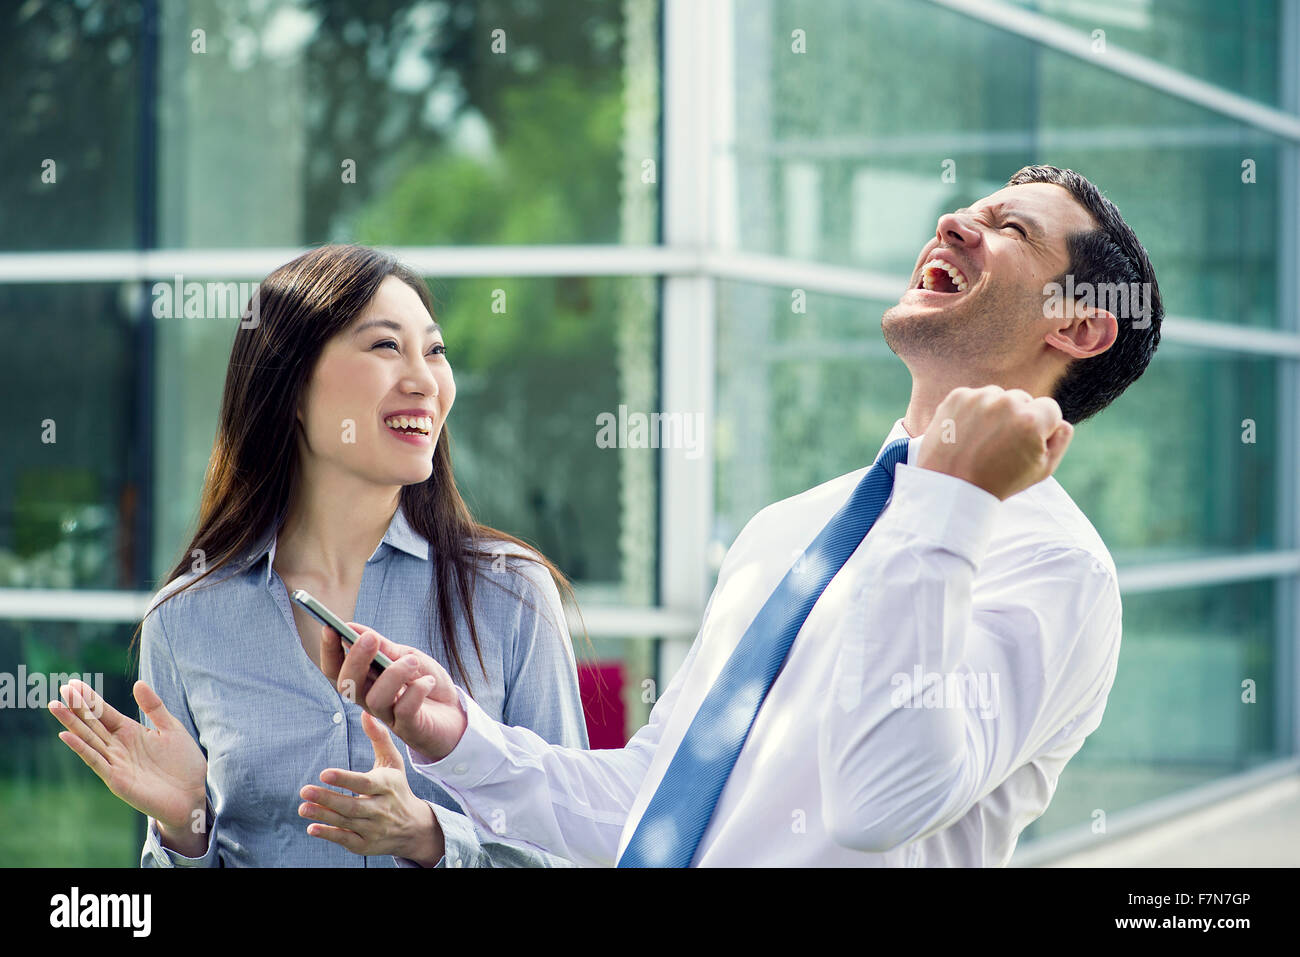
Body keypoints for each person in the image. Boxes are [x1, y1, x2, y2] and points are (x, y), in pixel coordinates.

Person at [317, 165, 1163, 867]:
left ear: (1081, 327)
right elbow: (649, 802)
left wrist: (952, 500)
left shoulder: (1058, 567)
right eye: (969, 209)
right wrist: (459, 737)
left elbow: (879, 802)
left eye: (1012, 229)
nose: (953, 221)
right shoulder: (788, 529)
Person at [48, 243, 589, 867]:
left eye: (435, 351)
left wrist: (429, 838)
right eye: (386, 346)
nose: (424, 380)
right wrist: (183, 830)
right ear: (293, 388)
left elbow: (575, 852)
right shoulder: (184, 618)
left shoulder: (510, 593)